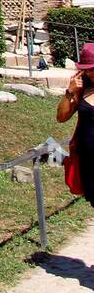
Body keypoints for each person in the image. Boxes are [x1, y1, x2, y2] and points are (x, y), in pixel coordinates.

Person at [56, 41, 94, 205]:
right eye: (86, 70)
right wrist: (69, 92)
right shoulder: (81, 89)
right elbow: (61, 117)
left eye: (93, 69)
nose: (90, 73)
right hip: (88, 161)